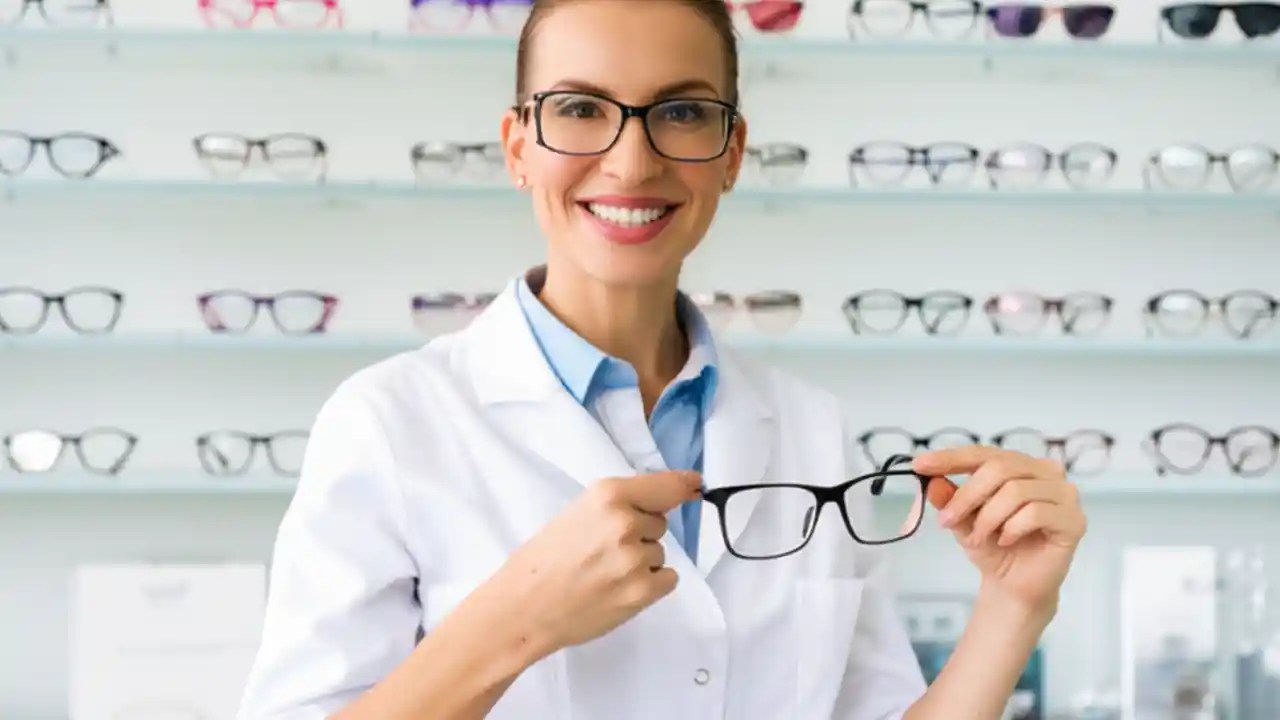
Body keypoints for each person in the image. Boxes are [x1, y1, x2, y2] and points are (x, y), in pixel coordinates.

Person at [236, 1, 1087, 718]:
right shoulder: (390, 421)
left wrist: (1016, 607)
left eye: (681, 112)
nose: (632, 161)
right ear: (518, 146)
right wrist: (515, 623)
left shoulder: (806, 426)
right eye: (579, 108)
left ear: (731, 153)